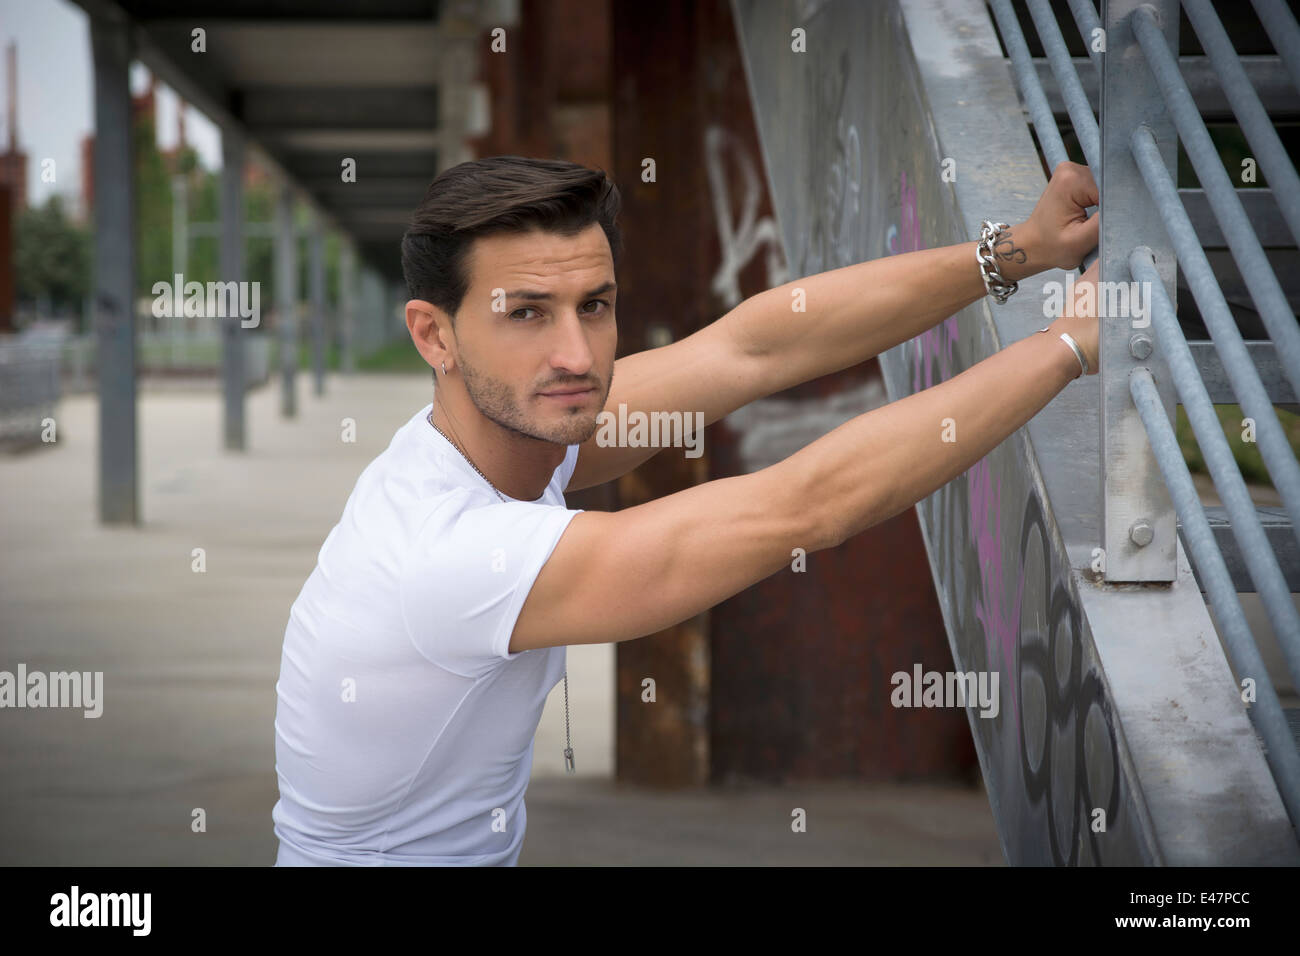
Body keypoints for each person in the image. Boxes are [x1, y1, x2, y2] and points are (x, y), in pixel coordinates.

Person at [271, 154, 1100, 865]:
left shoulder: (492, 436)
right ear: (433, 335)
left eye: (593, 305)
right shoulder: (448, 556)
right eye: (525, 313)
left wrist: (1024, 248)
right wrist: (1064, 347)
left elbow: (753, 348)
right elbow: (804, 508)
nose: (574, 354)